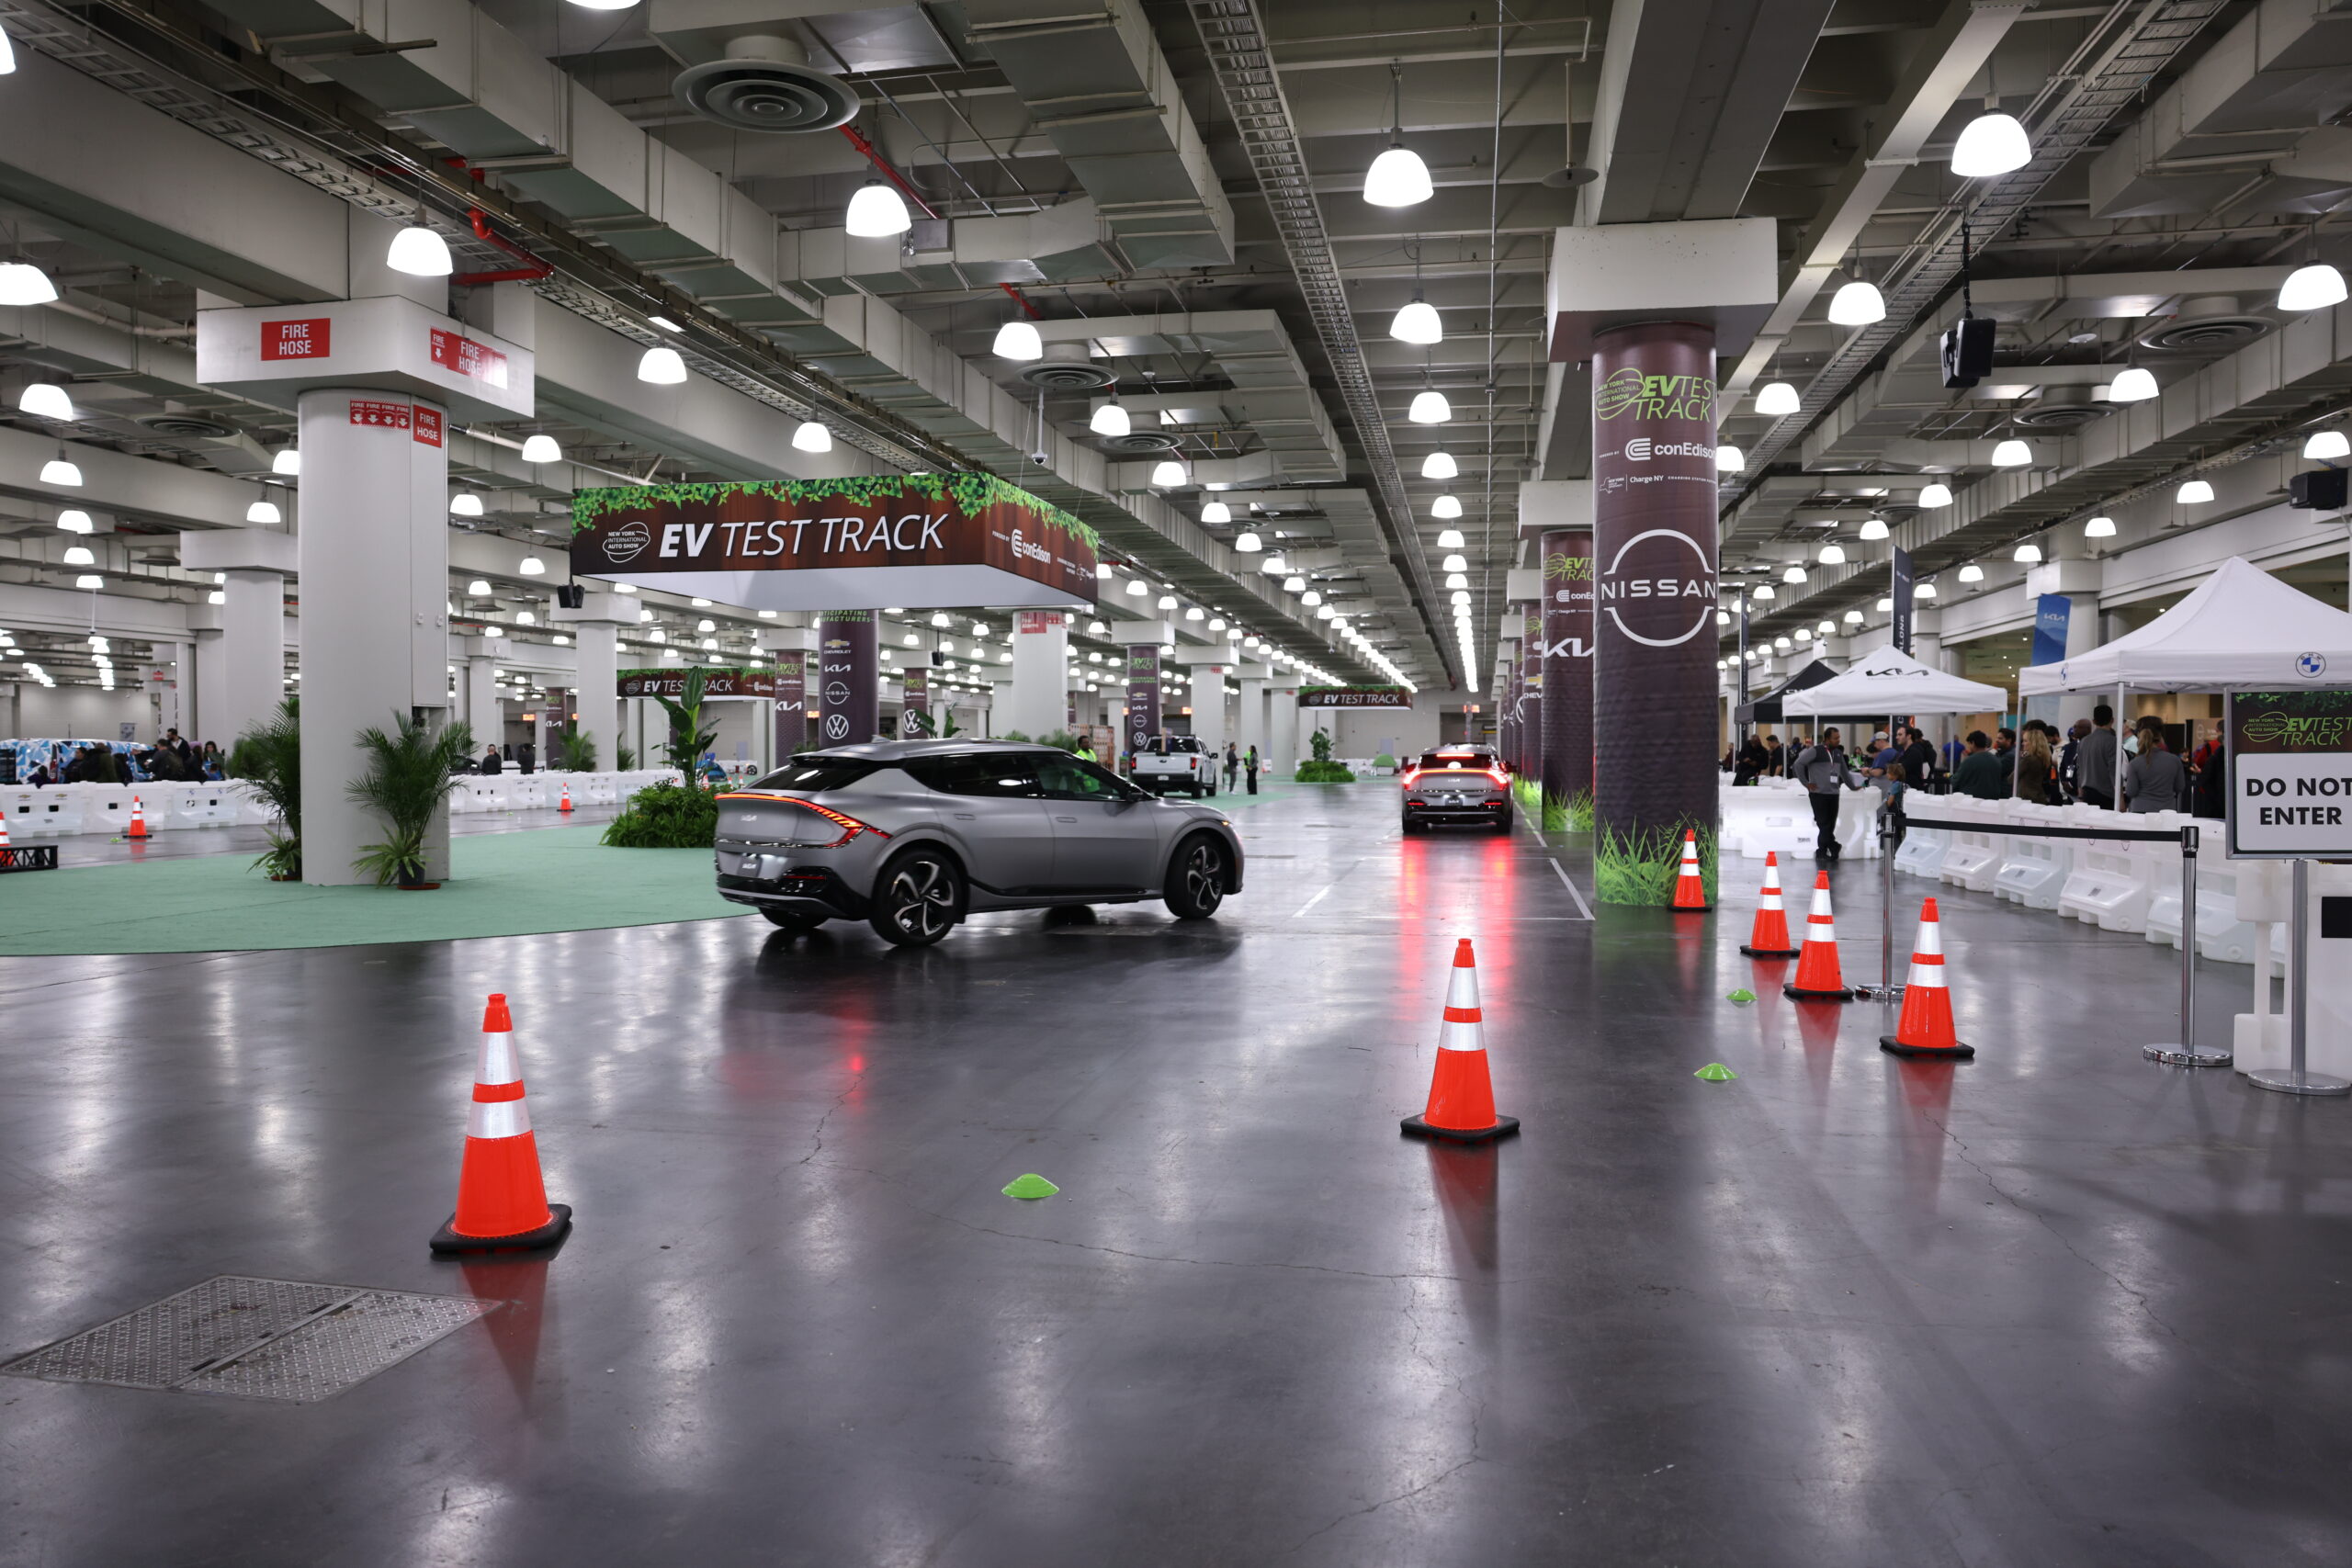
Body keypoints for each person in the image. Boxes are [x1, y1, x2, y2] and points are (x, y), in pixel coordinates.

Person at [1789, 726, 1859, 860]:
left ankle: (1831, 847)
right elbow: (1798, 764)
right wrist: (1806, 783)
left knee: (1829, 825)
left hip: (1833, 794)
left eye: (1839, 738)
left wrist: (1853, 787)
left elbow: (1844, 772)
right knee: (1823, 823)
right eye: (1835, 738)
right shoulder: (1815, 751)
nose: (1838, 740)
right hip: (1818, 794)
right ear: (1827, 739)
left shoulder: (1838, 753)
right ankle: (1822, 851)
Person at [2124, 717, 2188, 813]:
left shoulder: (2135, 762)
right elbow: (2180, 787)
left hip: (2140, 810)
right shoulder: (2174, 760)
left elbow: (2131, 791)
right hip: (2167, 811)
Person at [2077, 704, 2119, 808]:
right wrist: (2121, 799)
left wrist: (2081, 795)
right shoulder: (2112, 741)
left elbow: (2080, 769)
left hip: (2087, 792)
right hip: (2106, 794)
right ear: (2112, 720)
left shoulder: (2084, 741)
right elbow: (2114, 772)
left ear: (2094, 721)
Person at [1951, 731, 2007, 799]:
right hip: (1993, 801)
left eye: (1969, 744)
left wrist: (1950, 776)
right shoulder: (1996, 760)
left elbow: (1956, 781)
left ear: (1973, 743)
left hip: (1973, 800)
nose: (1969, 747)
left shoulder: (1969, 761)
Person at [2016, 727, 2059, 805]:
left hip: (2027, 798)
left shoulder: (2028, 759)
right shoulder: (2046, 757)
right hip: (2041, 796)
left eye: (2025, 741)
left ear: (2033, 743)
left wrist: (2021, 760)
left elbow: (2012, 778)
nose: (2022, 743)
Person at [1900, 727, 1939, 795]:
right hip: (1918, 781)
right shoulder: (1918, 749)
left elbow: (1928, 766)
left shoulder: (1920, 750)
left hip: (1920, 782)